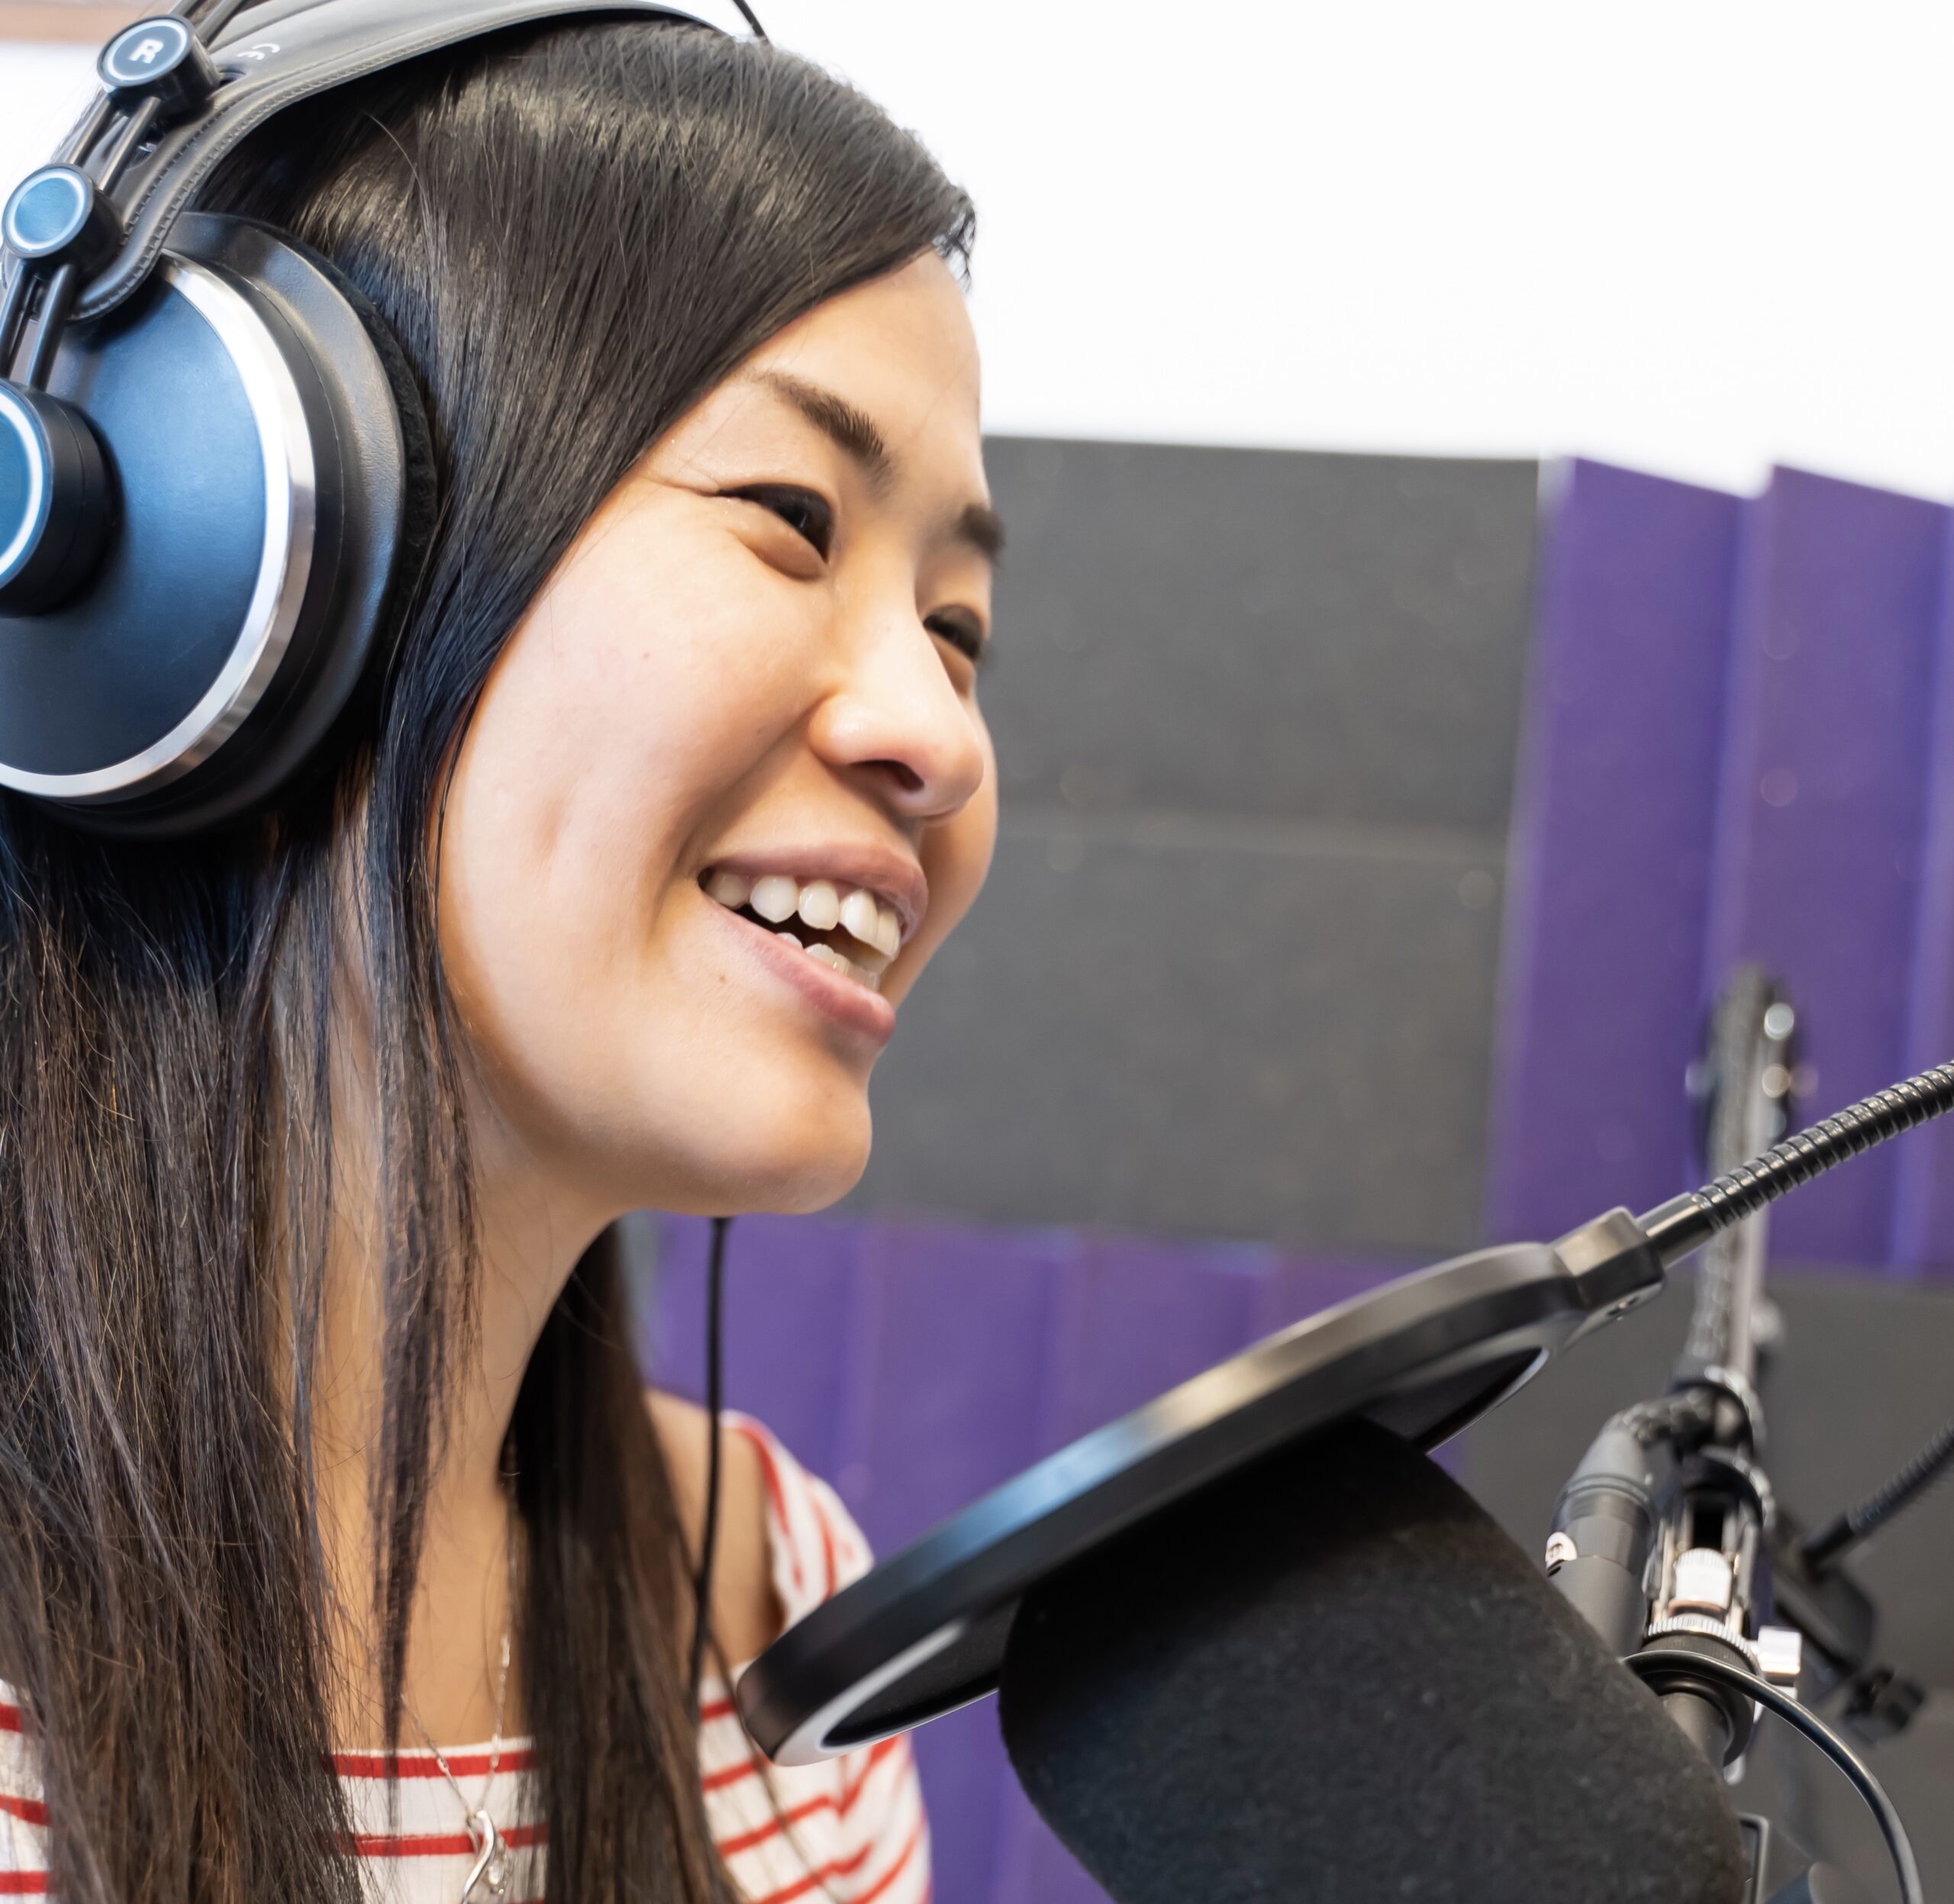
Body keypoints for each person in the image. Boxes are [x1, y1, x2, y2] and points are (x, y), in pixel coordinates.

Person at [0, 15, 997, 1902]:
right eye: (792, 519)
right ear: (235, 581)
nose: (937, 738)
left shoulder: (776, 1620)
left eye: (958, 629)